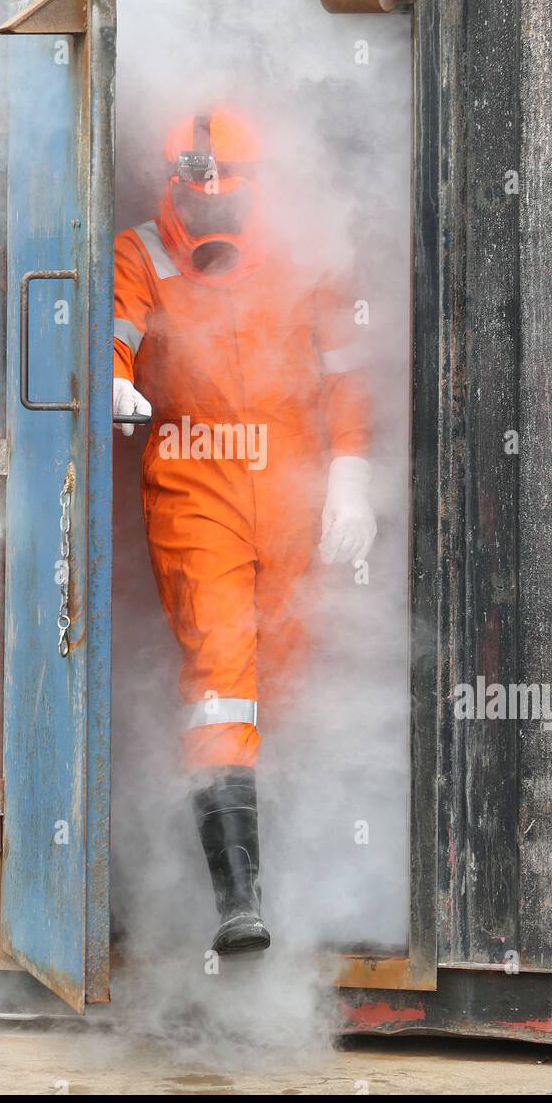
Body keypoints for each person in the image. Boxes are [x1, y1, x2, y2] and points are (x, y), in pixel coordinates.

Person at [112, 108, 376, 953]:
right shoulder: (140, 252)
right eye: (195, 199)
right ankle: (238, 902)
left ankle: (310, 886)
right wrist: (114, 383)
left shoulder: (302, 248)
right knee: (223, 673)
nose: (209, 218)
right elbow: (109, 336)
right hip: (195, 483)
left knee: (295, 681)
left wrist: (352, 473)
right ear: (173, 185)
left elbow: (344, 368)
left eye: (226, 199)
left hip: (294, 484)